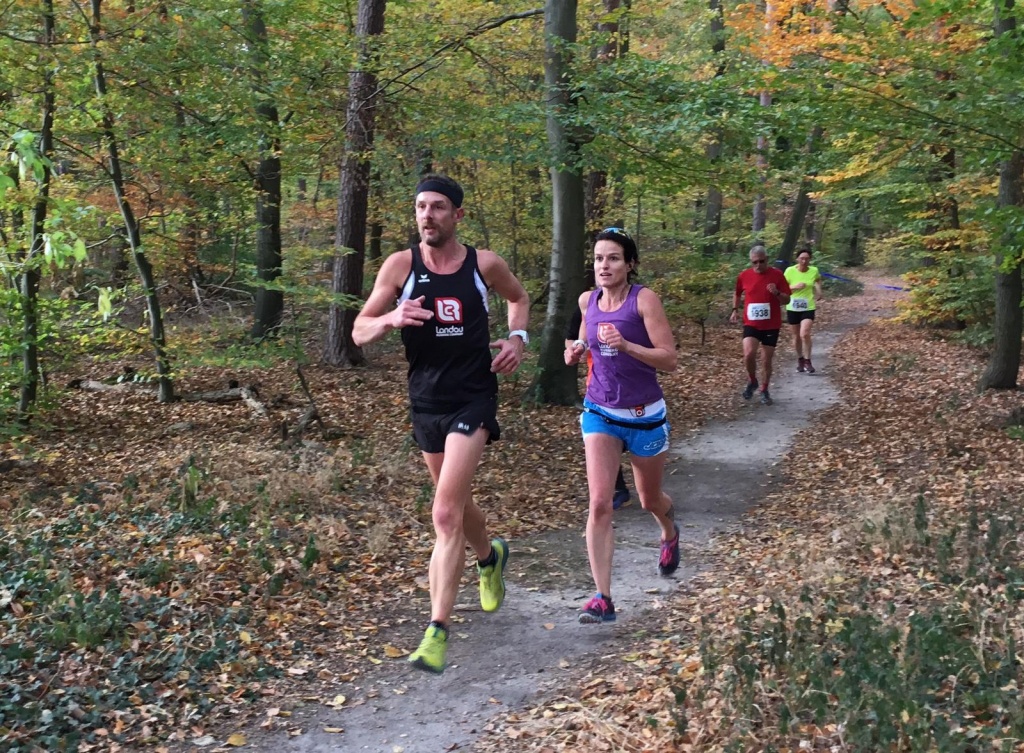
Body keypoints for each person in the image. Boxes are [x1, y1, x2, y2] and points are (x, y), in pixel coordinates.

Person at [353, 174, 529, 674]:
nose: (427, 215)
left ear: (457, 215)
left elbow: (519, 299)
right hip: (425, 401)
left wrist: (517, 339)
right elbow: (360, 330)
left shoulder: (484, 264)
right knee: (457, 504)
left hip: (473, 396)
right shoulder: (400, 266)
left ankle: (436, 631)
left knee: (445, 513)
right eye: (420, 207)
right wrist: (389, 319)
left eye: (437, 207)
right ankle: (490, 556)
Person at [564, 228, 679, 625]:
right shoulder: (588, 300)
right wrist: (576, 350)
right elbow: (584, 338)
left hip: (645, 416)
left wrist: (628, 345)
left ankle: (669, 531)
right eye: (599, 258)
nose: (604, 266)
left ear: (629, 264)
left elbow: (669, 359)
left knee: (650, 500)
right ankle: (603, 598)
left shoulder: (643, 300)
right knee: (600, 503)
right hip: (600, 411)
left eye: (613, 258)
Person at [564, 286, 633, 510]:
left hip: (632, 385)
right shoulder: (588, 303)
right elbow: (571, 339)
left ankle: (646, 485)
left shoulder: (636, 303)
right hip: (598, 385)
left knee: (628, 439)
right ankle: (618, 489)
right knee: (603, 437)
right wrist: (577, 349)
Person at [729, 244, 791, 406]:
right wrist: (735, 310)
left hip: (771, 325)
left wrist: (777, 292)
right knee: (748, 354)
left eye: (761, 261)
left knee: (766, 360)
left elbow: (787, 300)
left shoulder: (777, 275)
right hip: (751, 323)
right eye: (754, 262)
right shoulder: (744, 275)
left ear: (767, 259)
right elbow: (737, 293)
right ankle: (752, 380)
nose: (758, 265)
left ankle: (764, 389)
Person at [784, 247, 823, 374]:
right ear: (797, 259)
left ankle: (808, 361)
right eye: (802, 258)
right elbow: (783, 288)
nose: (804, 261)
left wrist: (819, 290)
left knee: (804, 333)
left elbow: (817, 280)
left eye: (807, 259)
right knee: (796, 336)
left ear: (810, 259)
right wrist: (794, 286)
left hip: (808, 306)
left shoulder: (814, 270)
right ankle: (800, 359)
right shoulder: (789, 271)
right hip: (792, 307)